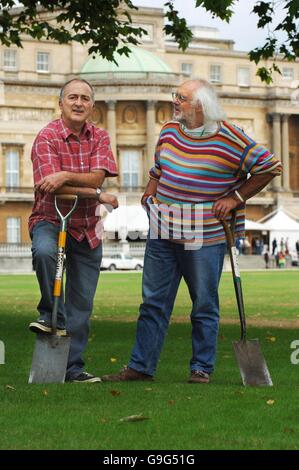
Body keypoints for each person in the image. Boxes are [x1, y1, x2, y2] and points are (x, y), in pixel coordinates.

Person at [102, 78, 282, 384]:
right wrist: (149, 192)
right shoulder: (169, 130)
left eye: (181, 98)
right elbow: (158, 169)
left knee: (203, 303)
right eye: (176, 96)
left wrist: (235, 198)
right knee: (153, 302)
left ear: (201, 105)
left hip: (204, 234)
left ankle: (201, 367)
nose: (175, 102)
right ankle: (141, 366)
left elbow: (270, 166)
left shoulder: (230, 136)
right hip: (163, 230)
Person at [28, 78, 118, 383]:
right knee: (43, 252)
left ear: (92, 105)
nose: (79, 103)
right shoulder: (47, 137)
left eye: (85, 98)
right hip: (50, 220)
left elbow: (95, 178)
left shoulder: (101, 137)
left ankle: (72, 368)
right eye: (72, 98)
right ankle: (50, 312)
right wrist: (98, 194)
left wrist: (67, 176)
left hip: (88, 229)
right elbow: (50, 190)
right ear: (61, 103)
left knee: (82, 304)